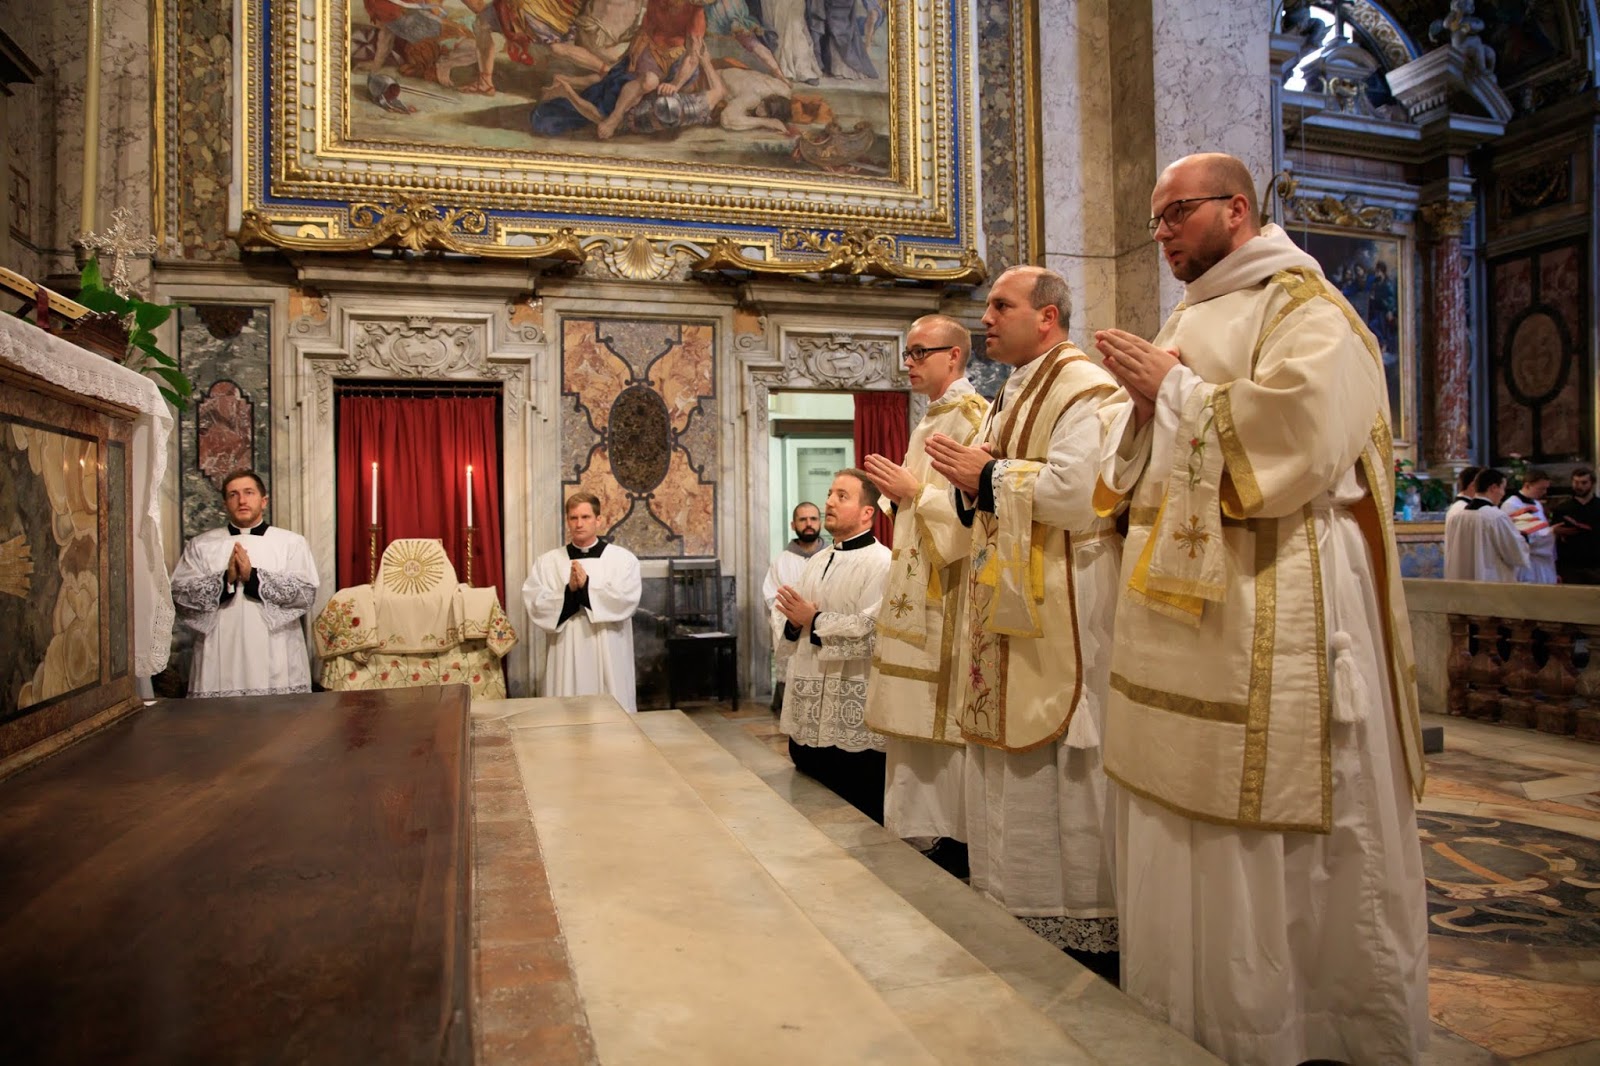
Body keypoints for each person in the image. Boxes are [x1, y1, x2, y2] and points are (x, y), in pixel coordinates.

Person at [1092, 152, 1428, 1064]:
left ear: (1236, 209)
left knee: (1268, 827)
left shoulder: (1307, 311)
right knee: (1181, 817)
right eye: (1156, 219)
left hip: (1280, 588)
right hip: (1187, 611)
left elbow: (1302, 442)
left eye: (1176, 214)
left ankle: (1300, 1027)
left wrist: (1173, 393)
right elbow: (1140, 460)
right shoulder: (1191, 313)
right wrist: (1145, 411)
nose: (1160, 233)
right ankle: (1186, 1022)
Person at [924, 266, 1120, 978]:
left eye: (1000, 306)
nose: (986, 318)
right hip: (1010, 601)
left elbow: (1078, 493)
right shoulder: (1012, 391)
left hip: (1066, 596)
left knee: (1063, 756)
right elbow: (986, 484)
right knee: (1009, 755)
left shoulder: (1082, 387)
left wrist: (984, 475)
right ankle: (1014, 897)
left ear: (1048, 316)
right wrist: (973, 481)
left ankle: (1077, 916)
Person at [862, 314, 989, 877]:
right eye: (907, 353)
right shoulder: (931, 418)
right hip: (915, 585)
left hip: (948, 593)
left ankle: (951, 832)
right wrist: (900, 497)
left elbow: (972, 520)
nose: (908, 363)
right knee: (911, 719)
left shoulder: (974, 417)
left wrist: (912, 494)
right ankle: (916, 825)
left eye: (919, 352)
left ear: (954, 356)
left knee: (942, 715)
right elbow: (915, 502)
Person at [773, 469, 891, 822]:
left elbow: (873, 631)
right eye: (829, 494)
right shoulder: (817, 561)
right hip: (809, 720)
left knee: (856, 818)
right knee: (808, 813)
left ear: (867, 512)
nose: (829, 502)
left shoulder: (882, 562)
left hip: (851, 724)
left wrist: (814, 620)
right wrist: (794, 622)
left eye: (842, 496)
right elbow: (792, 618)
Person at [170, 469, 319, 697]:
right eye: (233, 494)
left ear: (263, 500)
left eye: (249, 492)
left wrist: (254, 577)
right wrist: (224, 579)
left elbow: (305, 593)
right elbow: (181, 594)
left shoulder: (291, 543)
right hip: (219, 652)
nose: (241, 500)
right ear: (224, 504)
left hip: (275, 651)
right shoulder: (201, 545)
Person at [524, 492, 642, 711]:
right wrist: (569, 592)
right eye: (573, 518)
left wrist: (587, 588)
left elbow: (627, 600)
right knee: (566, 712)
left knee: (610, 711)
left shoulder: (622, 560)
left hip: (608, 647)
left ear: (598, 520)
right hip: (566, 648)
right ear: (567, 521)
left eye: (586, 517)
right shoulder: (548, 562)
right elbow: (536, 603)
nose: (579, 524)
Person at [763, 501, 826, 711]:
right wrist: (794, 617)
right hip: (794, 631)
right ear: (793, 525)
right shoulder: (781, 562)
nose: (809, 524)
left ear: (820, 522)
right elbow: (771, 598)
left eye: (813, 519)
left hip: (824, 630)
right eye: (803, 519)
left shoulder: (832, 556)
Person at [1445, 468, 1529, 582]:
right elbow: (1514, 553)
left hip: (1461, 578)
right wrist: (1524, 537)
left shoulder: (1458, 516)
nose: (1503, 493)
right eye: (1503, 488)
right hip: (1489, 580)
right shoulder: (1496, 516)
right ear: (1493, 487)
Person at [1502, 468, 1555, 583]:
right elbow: (1519, 538)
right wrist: (1552, 532)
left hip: (1542, 562)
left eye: (1546, 488)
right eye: (1541, 488)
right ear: (1527, 485)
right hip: (1526, 563)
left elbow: (1541, 527)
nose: (1544, 492)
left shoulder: (1537, 504)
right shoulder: (1511, 505)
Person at [1554, 465, 1600, 585]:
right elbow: (1555, 540)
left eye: (1584, 483)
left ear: (1592, 484)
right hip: (1570, 566)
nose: (1579, 486)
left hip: (1596, 564)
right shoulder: (1562, 508)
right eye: (1576, 482)